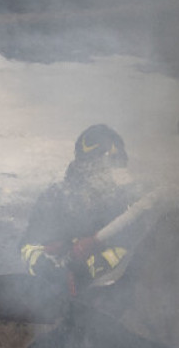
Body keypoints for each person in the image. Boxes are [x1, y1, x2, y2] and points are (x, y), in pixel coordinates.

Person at [19, 124, 146, 295]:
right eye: (108, 166)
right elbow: (27, 247)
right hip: (51, 296)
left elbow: (130, 249)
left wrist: (88, 268)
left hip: (106, 296)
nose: (113, 174)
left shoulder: (123, 204)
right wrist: (47, 266)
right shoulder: (54, 198)